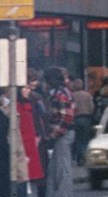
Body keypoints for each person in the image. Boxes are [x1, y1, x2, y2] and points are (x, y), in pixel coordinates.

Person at [44, 66, 76, 196]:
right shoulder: (63, 92)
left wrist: (54, 133)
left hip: (63, 134)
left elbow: (66, 117)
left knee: (62, 168)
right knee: (57, 166)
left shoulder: (60, 94)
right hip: (63, 133)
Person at [71, 78, 95, 166]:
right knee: (85, 138)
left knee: (77, 139)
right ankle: (84, 155)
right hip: (86, 118)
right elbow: (92, 107)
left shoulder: (72, 95)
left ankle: (79, 156)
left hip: (75, 118)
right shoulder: (87, 95)